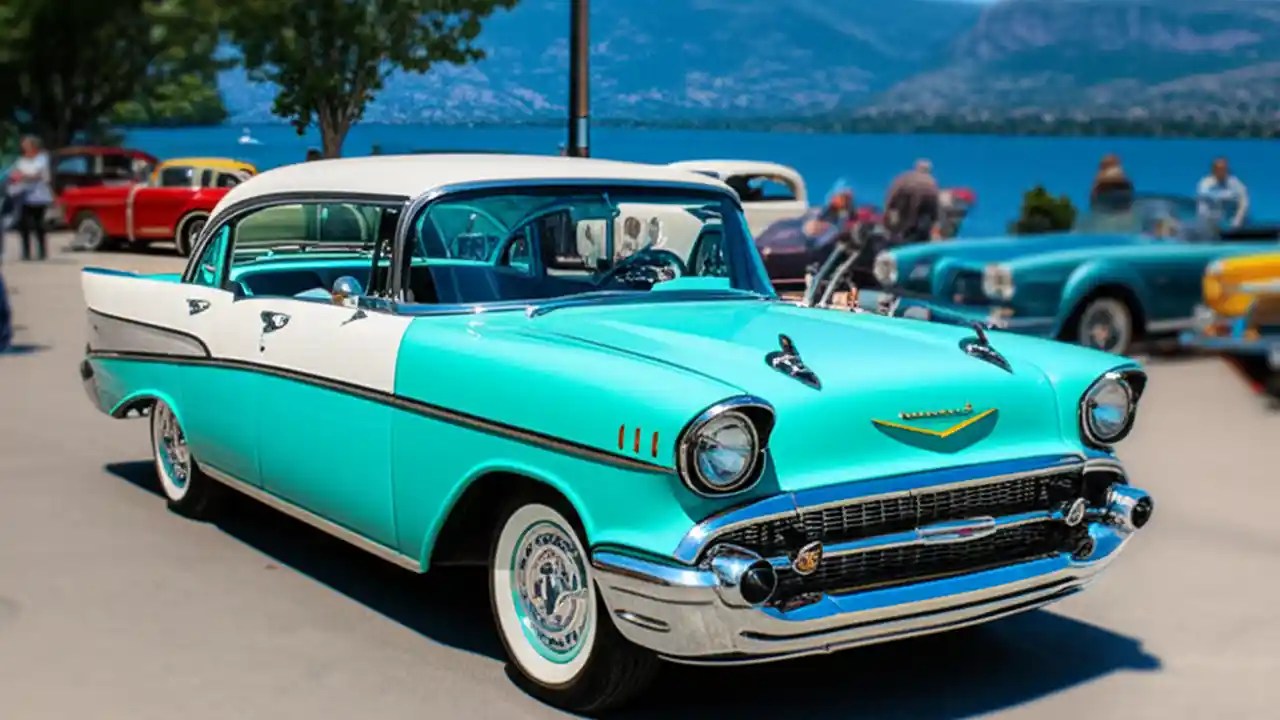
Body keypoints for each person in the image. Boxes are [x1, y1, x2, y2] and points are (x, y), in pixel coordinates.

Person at [7, 136, 54, 261]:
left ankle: (42, 252)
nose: (25, 147)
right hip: (23, 195)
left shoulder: (42, 158)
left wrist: (23, 176)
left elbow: (37, 174)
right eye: (24, 145)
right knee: (23, 224)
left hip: (39, 196)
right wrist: (17, 176)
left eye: (28, 144)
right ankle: (26, 252)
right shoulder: (21, 160)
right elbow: (14, 173)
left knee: (38, 224)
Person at [884, 159, 940, 243]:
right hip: (917, 214)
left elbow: (892, 193)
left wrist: (888, 209)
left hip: (905, 213)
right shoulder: (932, 182)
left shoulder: (904, 177)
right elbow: (935, 206)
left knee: (897, 230)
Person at [1196, 157, 1249, 229]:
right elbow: (1202, 205)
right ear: (1213, 170)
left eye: (1224, 169)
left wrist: (1237, 220)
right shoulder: (1205, 184)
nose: (1221, 171)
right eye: (1218, 169)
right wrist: (1204, 223)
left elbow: (1244, 203)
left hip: (1233, 221)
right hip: (1211, 222)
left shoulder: (1236, 184)